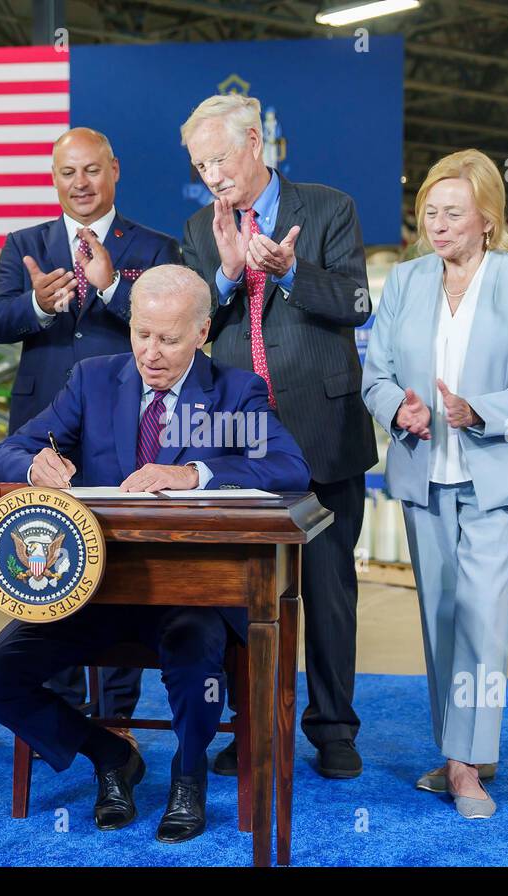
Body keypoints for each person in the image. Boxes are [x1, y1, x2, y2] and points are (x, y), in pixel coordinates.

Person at [0, 264, 311, 843]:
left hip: (191, 591)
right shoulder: (93, 380)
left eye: (169, 339)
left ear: (202, 332)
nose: (150, 353)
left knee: (194, 651)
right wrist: (35, 465)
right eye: (141, 334)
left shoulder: (235, 392)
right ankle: (110, 755)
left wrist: (194, 472)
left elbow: (289, 468)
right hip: (94, 589)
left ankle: (188, 773)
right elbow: (6, 451)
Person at [362, 149, 508, 819]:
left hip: (496, 477)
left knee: (482, 616)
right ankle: (460, 748)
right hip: (425, 475)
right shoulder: (404, 280)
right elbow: (377, 372)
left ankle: (466, 767)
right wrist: (401, 407)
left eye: (453, 213)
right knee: (441, 619)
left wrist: (481, 410)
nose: (438, 225)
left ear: (488, 217)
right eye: (429, 212)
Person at [179, 93, 376, 779]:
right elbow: (193, 326)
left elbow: (357, 302)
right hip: (239, 443)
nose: (212, 175)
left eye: (221, 158)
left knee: (327, 592)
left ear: (256, 143)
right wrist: (228, 275)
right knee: (241, 598)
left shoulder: (328, 208)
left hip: (324, 431)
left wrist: (290, 272)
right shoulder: (200, 229)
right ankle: (254, 722)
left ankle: (333, 730)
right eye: (201, 164)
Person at [0, 127, 181, 726]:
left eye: (92, 170)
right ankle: (61, 711)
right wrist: (39, 304)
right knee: (48, 565)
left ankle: (117, 717)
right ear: (54, 177)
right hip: (44, 428)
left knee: (118, 570)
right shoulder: (26, 243)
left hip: (126, 430)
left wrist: (113, 288)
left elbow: (169, 331)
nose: (81, 183)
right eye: (68, 173)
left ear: (114, 170)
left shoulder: (153, 247)